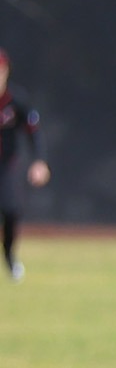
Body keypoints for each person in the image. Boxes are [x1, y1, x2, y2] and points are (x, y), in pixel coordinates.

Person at [0, 49, 50, 282]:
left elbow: (34, 132)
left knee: (11, 210)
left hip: (7, 165)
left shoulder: (16, 100)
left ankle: (9, 256)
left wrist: (39, 161)